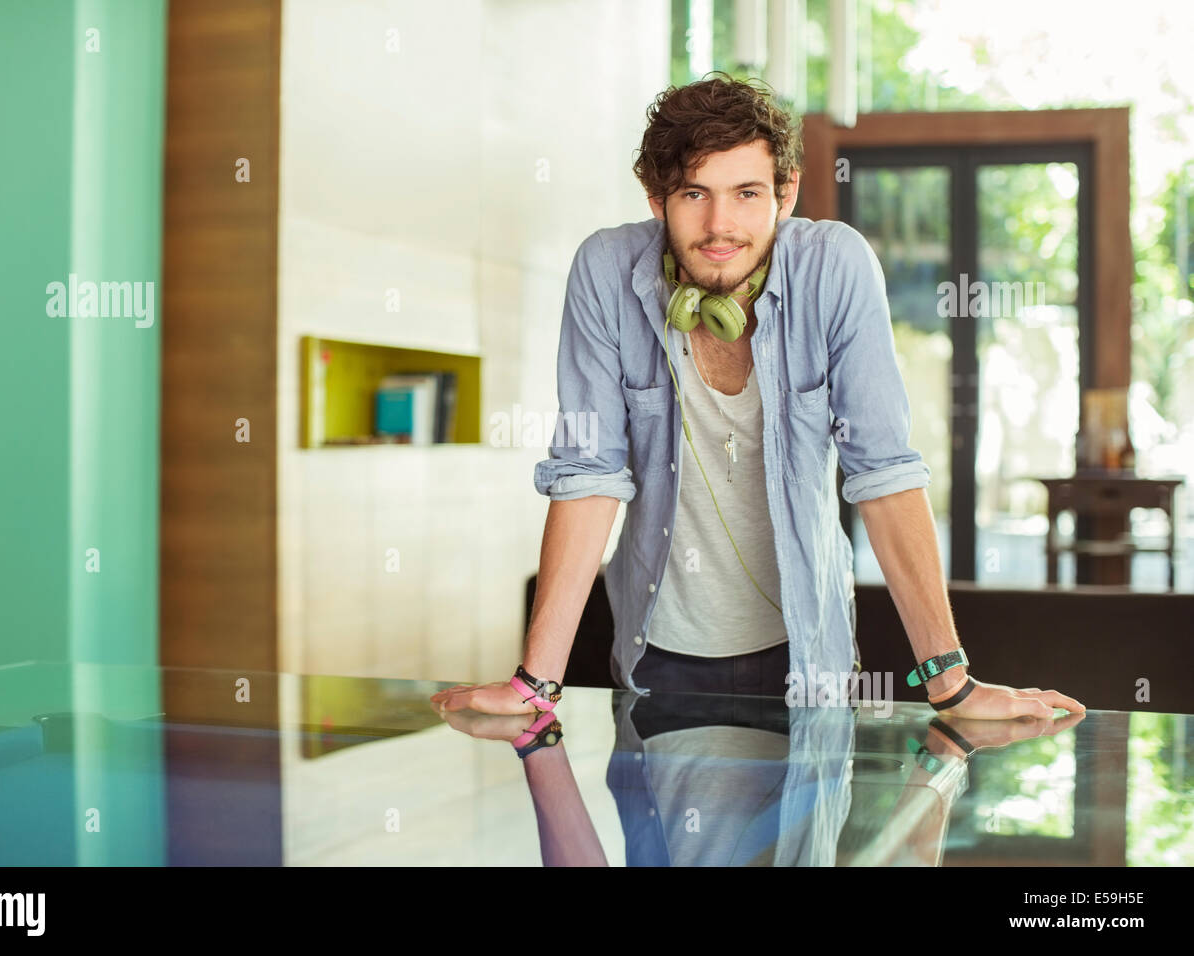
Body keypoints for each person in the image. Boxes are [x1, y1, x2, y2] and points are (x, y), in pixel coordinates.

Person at [431, 72, 1084, 720]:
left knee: (803, 827)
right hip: (656, 657)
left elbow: (883, 472)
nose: (720, 225)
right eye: (694, 193)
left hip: (808, 657)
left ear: (786, 192)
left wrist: (953, 685)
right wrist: (535, 682)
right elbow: (588, 476)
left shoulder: (835, 268)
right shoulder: (606, 273)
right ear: (657, 198)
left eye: (746, 193)